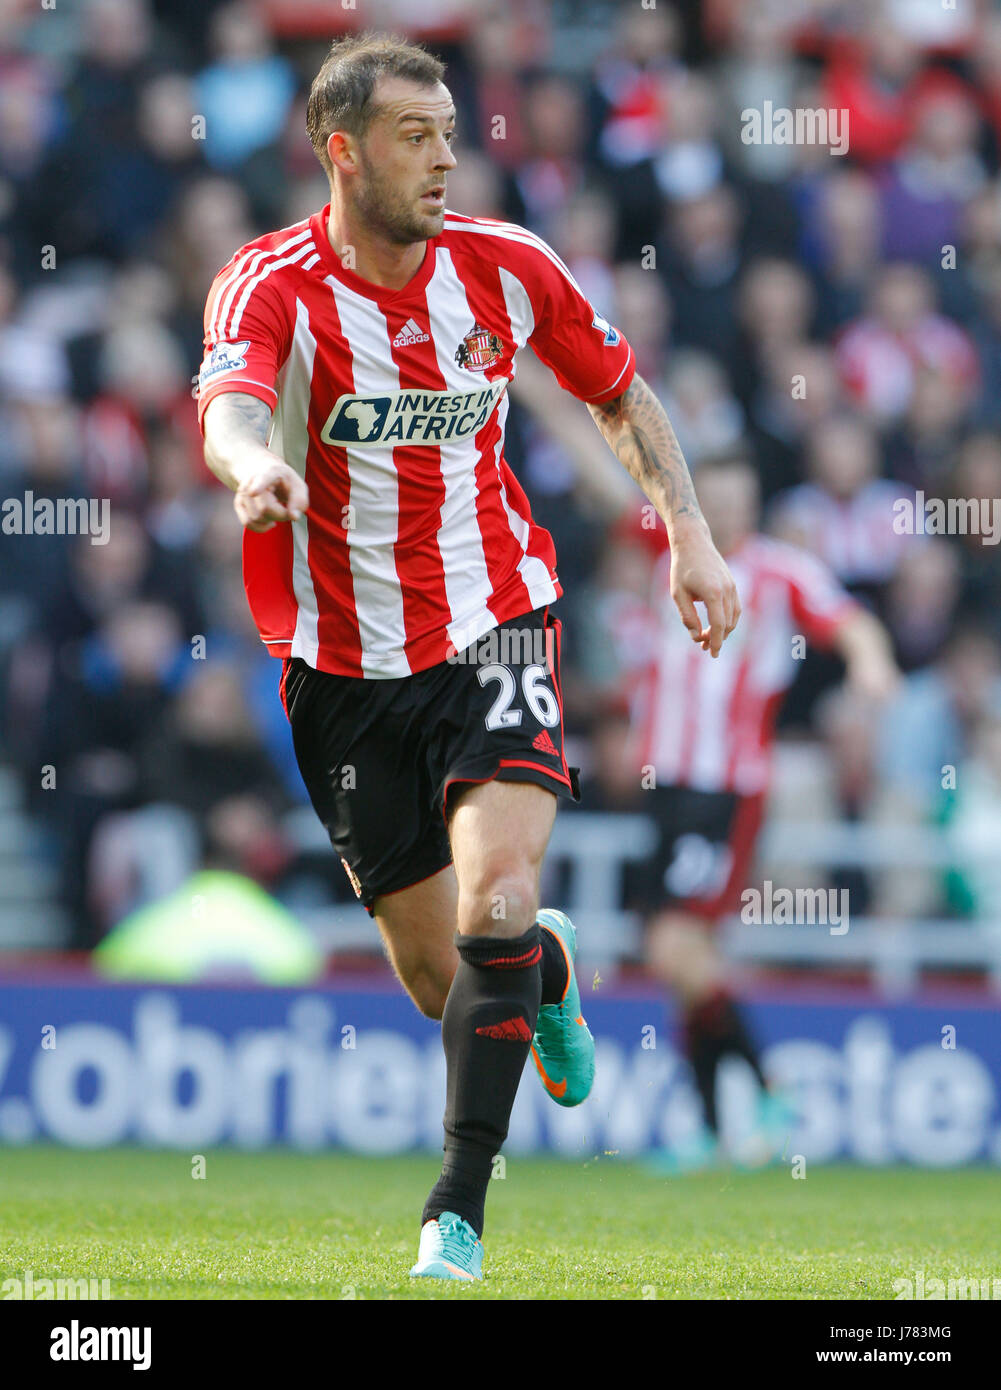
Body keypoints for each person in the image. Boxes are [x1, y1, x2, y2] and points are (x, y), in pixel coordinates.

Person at [197, 33, 739, 1280]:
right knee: (446, 971)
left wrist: (690, 538)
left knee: (495, 888)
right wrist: (252, 466)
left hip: (497, 616)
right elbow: (228, 403)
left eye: (449, 132)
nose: (445, 158)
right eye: (413, 136)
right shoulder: (269, 284)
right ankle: (540, 967)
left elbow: (618, 391)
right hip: (341, 666)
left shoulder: (502, 265)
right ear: (341, 151)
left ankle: (456, 1209)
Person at [632, 451, 898, 1168]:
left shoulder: (780, 572)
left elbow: (851, 622)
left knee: (673, 948)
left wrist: (870, 665)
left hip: (725, 790)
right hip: (667, 788)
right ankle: (715, 1131)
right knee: (685, 962)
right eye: (710, 501)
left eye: (738, 501)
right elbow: (604, 488)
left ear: (755, 506)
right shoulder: (671, 545)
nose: (726, 514)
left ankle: (769, 1088)